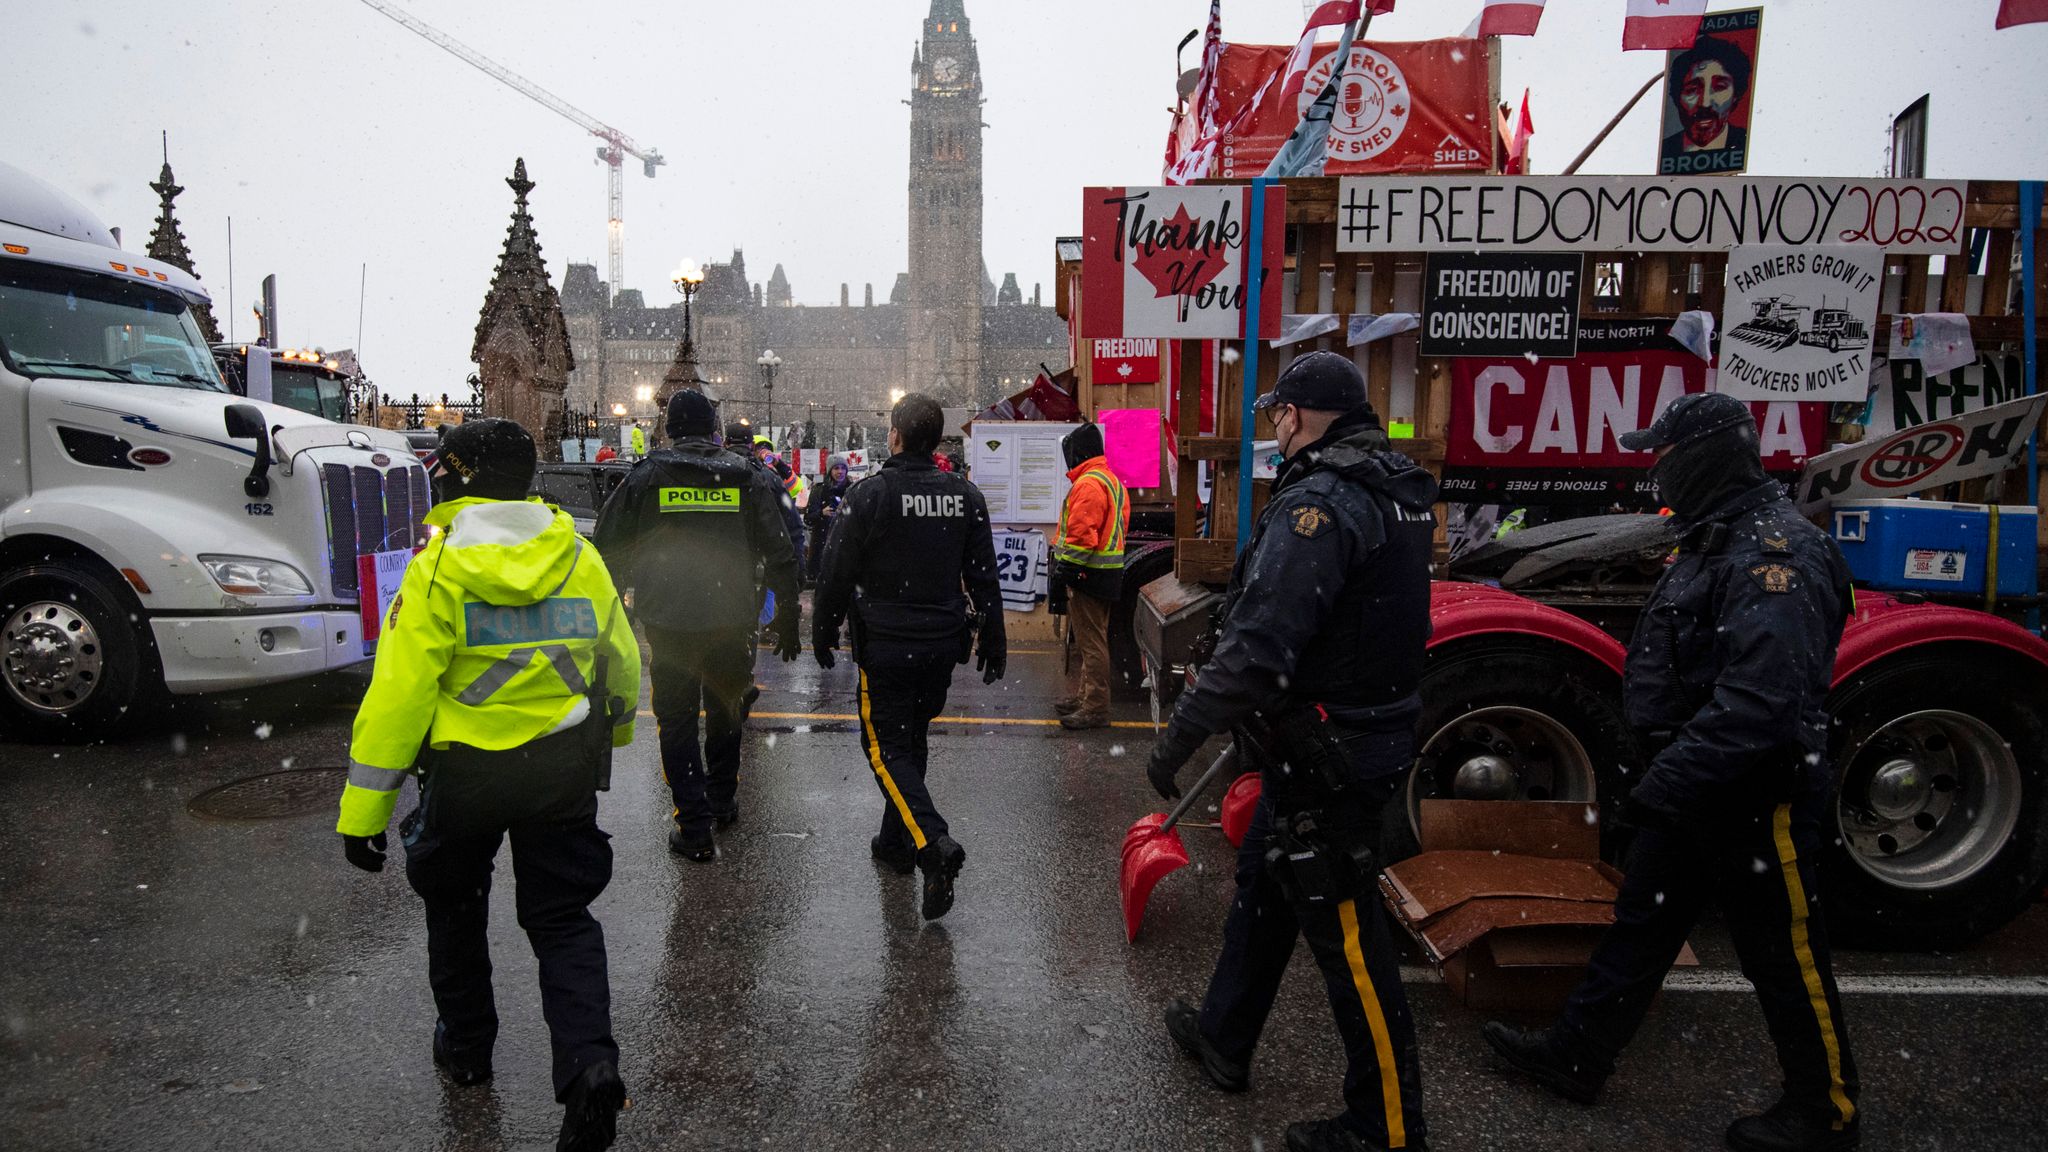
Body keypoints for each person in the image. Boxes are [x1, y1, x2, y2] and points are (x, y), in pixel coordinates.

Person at [1483, 392, 1861, 1152]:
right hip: (1696, 784)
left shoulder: (1771, 555)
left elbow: (1760, 706)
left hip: (1755, 791)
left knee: (1785, 956)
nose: (1655, 468)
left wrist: (1658, 786)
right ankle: (1579, 1054)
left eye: (1664, 454)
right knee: (1643, 927)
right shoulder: (1714, 539)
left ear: (1706, 457)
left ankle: (1826, 1111)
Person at [1144, 352, 1437, 1152]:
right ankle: (1224, 1037)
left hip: (1330, 748)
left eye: (1278, 413)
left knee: (1348, 937)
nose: (1274, 425)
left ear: (1300, 416)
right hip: (1331, 739)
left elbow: (1261, 643)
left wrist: (1179, 734)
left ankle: (1388, 1126)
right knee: (1265, 887)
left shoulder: (1324, 501)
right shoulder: (1394, 486)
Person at [336, 418, 640, 1152]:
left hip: (467, 772)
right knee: (563, 919)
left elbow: (400, 695)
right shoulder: (578, 553)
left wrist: (364, 811)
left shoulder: (437, 566)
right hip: (561, 766)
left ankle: (469, 1051)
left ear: (461, 476)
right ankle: (590, 1066)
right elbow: (622, 663)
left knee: (456, 910)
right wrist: (615, 734)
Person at [812, 391, 1005, 920]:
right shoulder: (964, 496)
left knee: (885, 751)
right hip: (942, 645)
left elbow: (835, 572)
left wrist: (822, 629)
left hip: (888, 644)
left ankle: (932, 844)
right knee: (911, 741)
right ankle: (894, 843)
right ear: (938, 439)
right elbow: (984, 577)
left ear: (894, 436)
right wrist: (995, 637)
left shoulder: (870, 494)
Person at [594, 390, 800, 861]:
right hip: (731, 618)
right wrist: (786, 614)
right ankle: (722, 800)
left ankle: (693, 824)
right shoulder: (747, 476)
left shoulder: (646, 476)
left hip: (670, 621)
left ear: (668, 428)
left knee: (678, 719)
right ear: (713, 430)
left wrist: (619, 613)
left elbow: (608, 548)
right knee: (727, 709)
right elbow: (781, 550)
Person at [1048, 421, 1129, 730]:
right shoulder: (1110, 481)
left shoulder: (1088, 484)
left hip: (1089, 576)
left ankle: (1095, 706)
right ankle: (1085, 697)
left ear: (1078, 453)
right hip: (1105, 575)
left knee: (1091, 643)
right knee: (1091, 640)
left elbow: (1082, 538)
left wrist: (1065, 571)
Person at [1659, 35, 1752, 175]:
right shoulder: (1666, 148)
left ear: (1735, 96)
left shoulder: (1745, 143)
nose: (1705, 103)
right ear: (1677, 98)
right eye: (1692, 90)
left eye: (1719, 87)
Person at [804, 455, 852, 584]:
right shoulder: (819, 490)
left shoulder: (853, 490)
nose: (840, 472)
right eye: (836, 468)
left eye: (843, 468)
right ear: (830, 470)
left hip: (846, 543)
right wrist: (822, 513)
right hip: (822, 543)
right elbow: (808, 519)